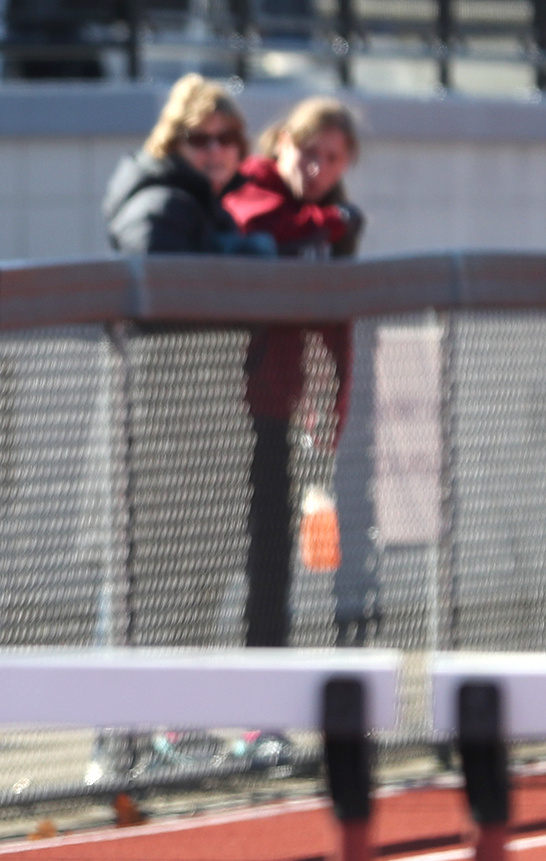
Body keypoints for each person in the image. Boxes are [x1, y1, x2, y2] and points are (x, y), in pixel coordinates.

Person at [222, 97, 364, 647]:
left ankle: (264, 703)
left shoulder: (332, 223)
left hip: (284, 405)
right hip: (227, 407)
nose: (317, 169)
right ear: (281, 143)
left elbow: (336, 326)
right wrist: (333, 221)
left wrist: (332, 408)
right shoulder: (251, 189)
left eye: (331, 159)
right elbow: (262, 223)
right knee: (202, 556)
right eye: (308, 152)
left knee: (274, 557)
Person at [103, 75, 261, 256]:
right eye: (199, 139)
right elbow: (157, 279)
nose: (215, 150)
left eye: (226, 138)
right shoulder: (161, 210)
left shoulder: (205, 206)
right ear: (172, 144)